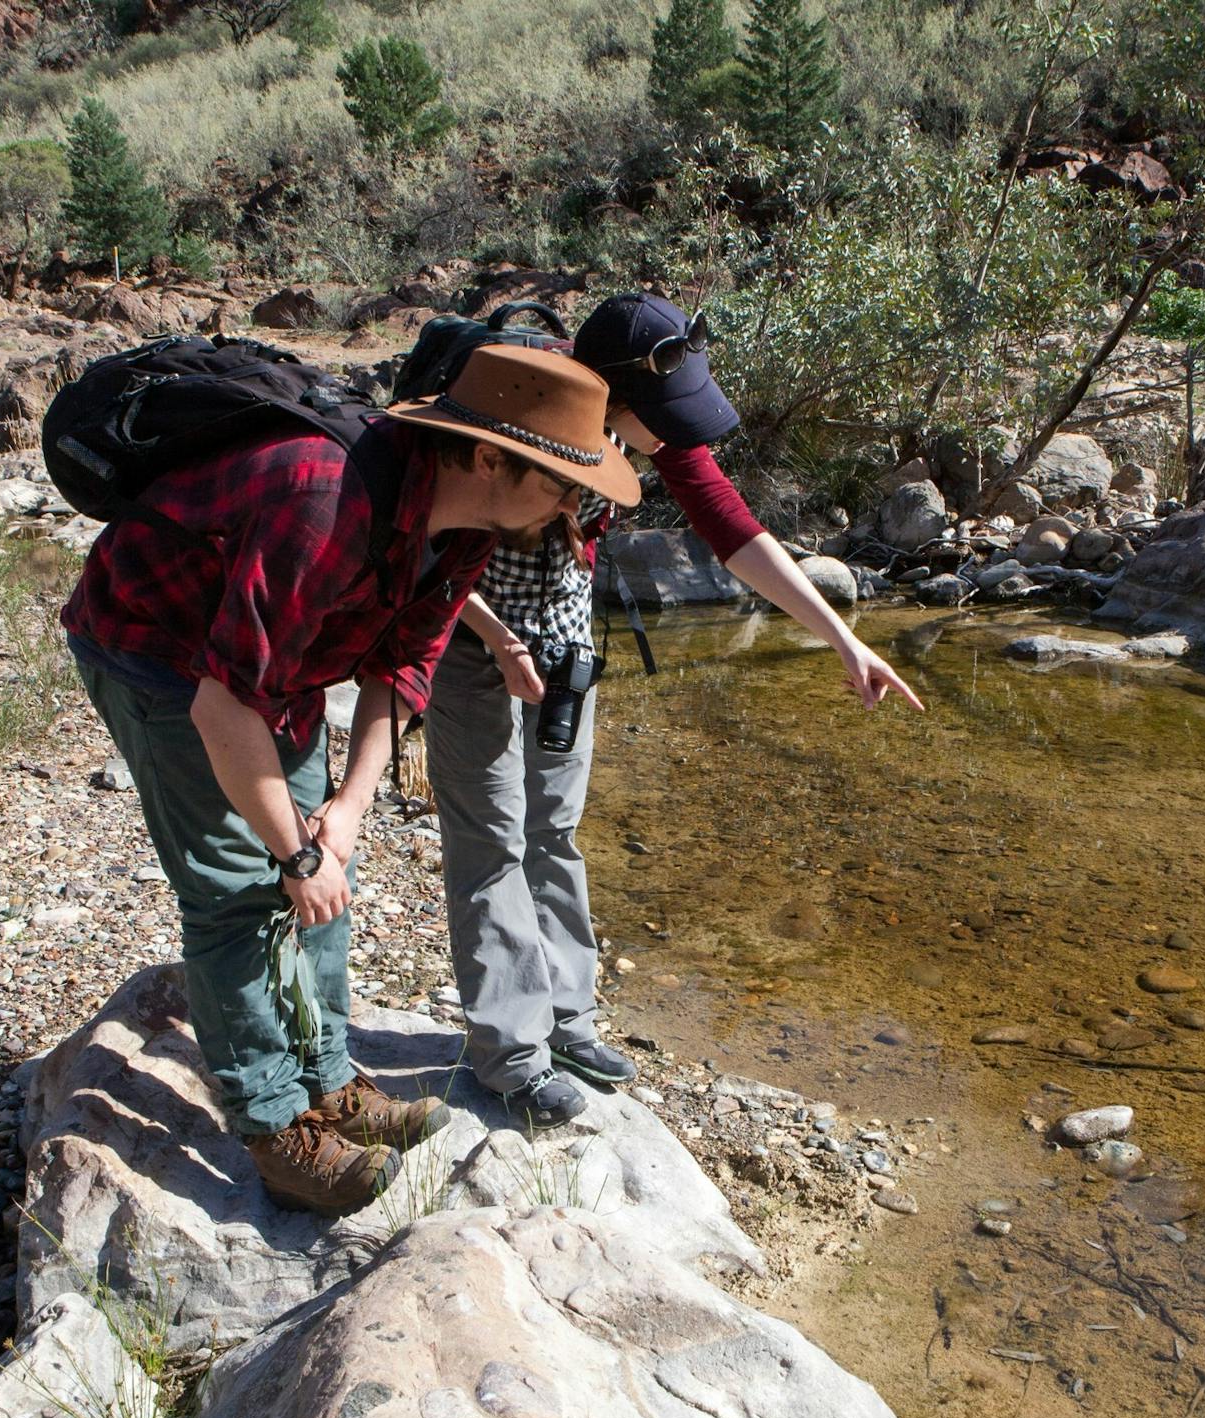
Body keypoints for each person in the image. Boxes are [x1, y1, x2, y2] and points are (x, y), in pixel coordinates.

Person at [62, 346, 641, 1214]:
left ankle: (329, 1079)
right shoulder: (322, 496)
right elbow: (223, 706)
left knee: (330, 872)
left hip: (274, 667)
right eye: (562, 483)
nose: (573, 506)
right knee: (237, 889)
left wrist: (345, 815)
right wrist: (294, 855)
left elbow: (400, 668)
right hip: (159, 653)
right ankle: (273, 1126)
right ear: (490, 459)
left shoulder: (469, 529)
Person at [426, 293, 922, 1129]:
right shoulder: (519, 409)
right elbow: (426, 536)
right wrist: (496, 637)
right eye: (665, 415)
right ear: (612, 394)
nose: (678, 434)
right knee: (491, 841)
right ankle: (511, 1057)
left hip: (565, 645)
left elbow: (733, 530)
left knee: (554, 834)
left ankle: (568, 1023)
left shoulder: (649, 426)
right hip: (474, 641)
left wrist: (842, 639)